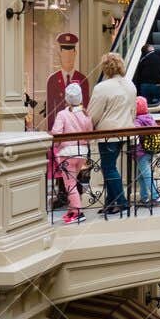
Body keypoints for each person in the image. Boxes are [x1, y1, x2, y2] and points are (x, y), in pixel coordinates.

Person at [88, 51, 138, 216]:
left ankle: (121, 201)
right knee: (111, 167)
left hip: (108, 133)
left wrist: (88, 127)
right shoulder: (130, 85)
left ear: (105, 68)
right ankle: (111, 203)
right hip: (126, 130)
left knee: (108, 167)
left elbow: (93, 114)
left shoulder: (102, 88)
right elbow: (133, 110)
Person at [51, 82, 92, 224]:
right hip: (82, 153)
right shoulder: (86, 114)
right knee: (73, 182)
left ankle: (78, 213)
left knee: (70, 184)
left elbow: (56, 133)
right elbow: (89, 133)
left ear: (67, 99)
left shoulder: (62, 114)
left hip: (67, 153)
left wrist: (56, 145)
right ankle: (72, 210)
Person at [132, 95, 160, 206]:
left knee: (146, 174)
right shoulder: (149, 118)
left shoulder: (137, 120)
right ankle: (144, 197)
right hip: (149, 150)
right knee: (141, 176)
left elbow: (135, 131)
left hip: (140, 151)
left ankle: (155, 196)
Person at [135, 41, 160, 108]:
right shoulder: (157, 53)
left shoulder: (142, 60)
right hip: (157, 85)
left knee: (146, 106)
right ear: (150, 48)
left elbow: (138, 77)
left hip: (144, 86)